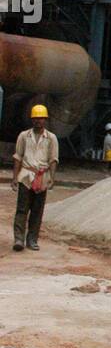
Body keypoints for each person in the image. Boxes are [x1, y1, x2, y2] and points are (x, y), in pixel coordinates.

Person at [11, 103, 58, 252]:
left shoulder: (51, 138)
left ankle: (32, 239)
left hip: (42, 177)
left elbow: (53, 159)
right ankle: (19, 239)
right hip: (26, 176)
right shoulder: (24, 136)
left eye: (41, 118)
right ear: (32, 120)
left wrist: (52, 177)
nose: (38, 121)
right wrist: (14, 178)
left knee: (37, 210)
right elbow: (18, 157)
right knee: (22, 209)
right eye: (36, 118)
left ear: (45, 120)